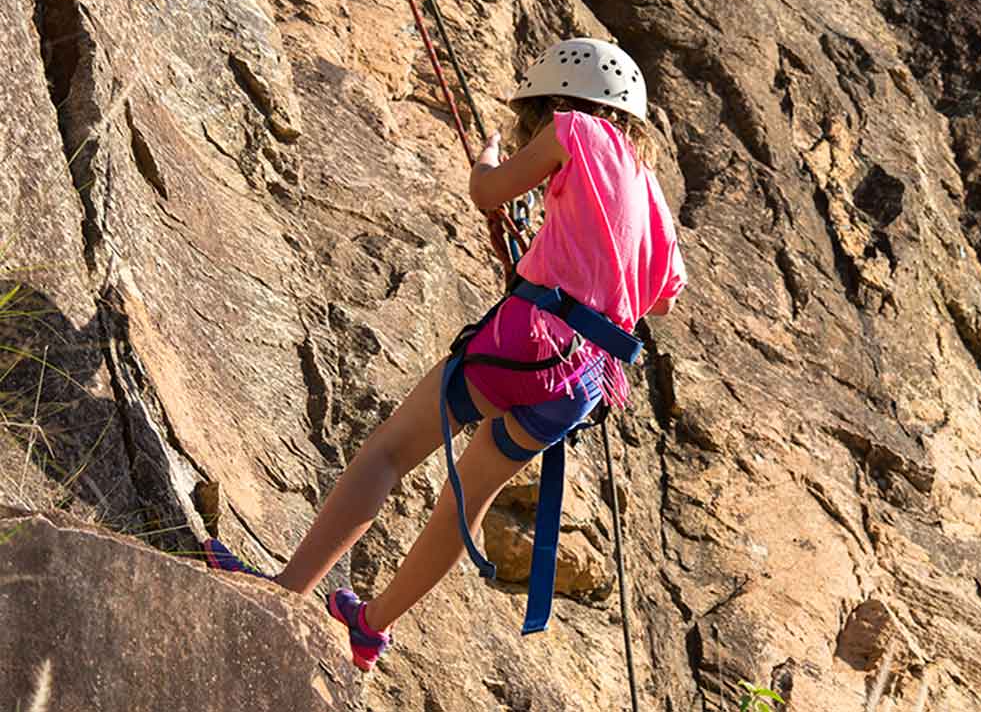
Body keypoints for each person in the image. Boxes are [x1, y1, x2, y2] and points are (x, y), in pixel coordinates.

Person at [202, 37, 686, 671]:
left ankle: (283, 594)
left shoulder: (574, 128)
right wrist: (564, 248)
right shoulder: (649, 190)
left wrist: (488, 161)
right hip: (587, 379)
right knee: (468, 496)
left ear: (558, 101)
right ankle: (370, 627)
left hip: (531, 339)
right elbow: (662, 301)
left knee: (388, 452)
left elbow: (489, 191)